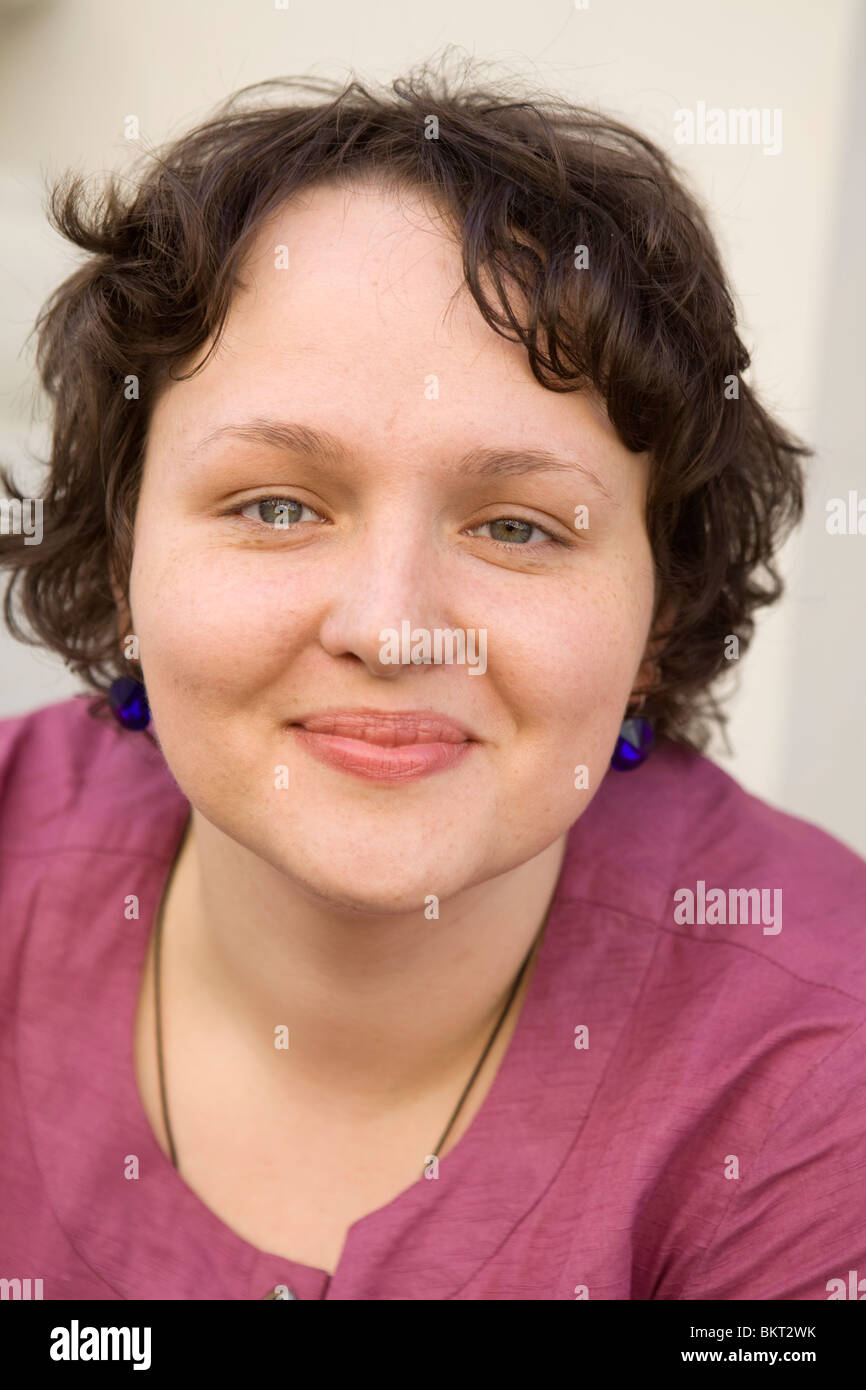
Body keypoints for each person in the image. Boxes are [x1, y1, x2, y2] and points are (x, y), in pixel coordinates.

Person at [1, 59, 864, 1302]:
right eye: (278, 504)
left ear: (663, 605)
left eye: (517, 527)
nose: (394, 630)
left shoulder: (814, 1069)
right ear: (124, 544)